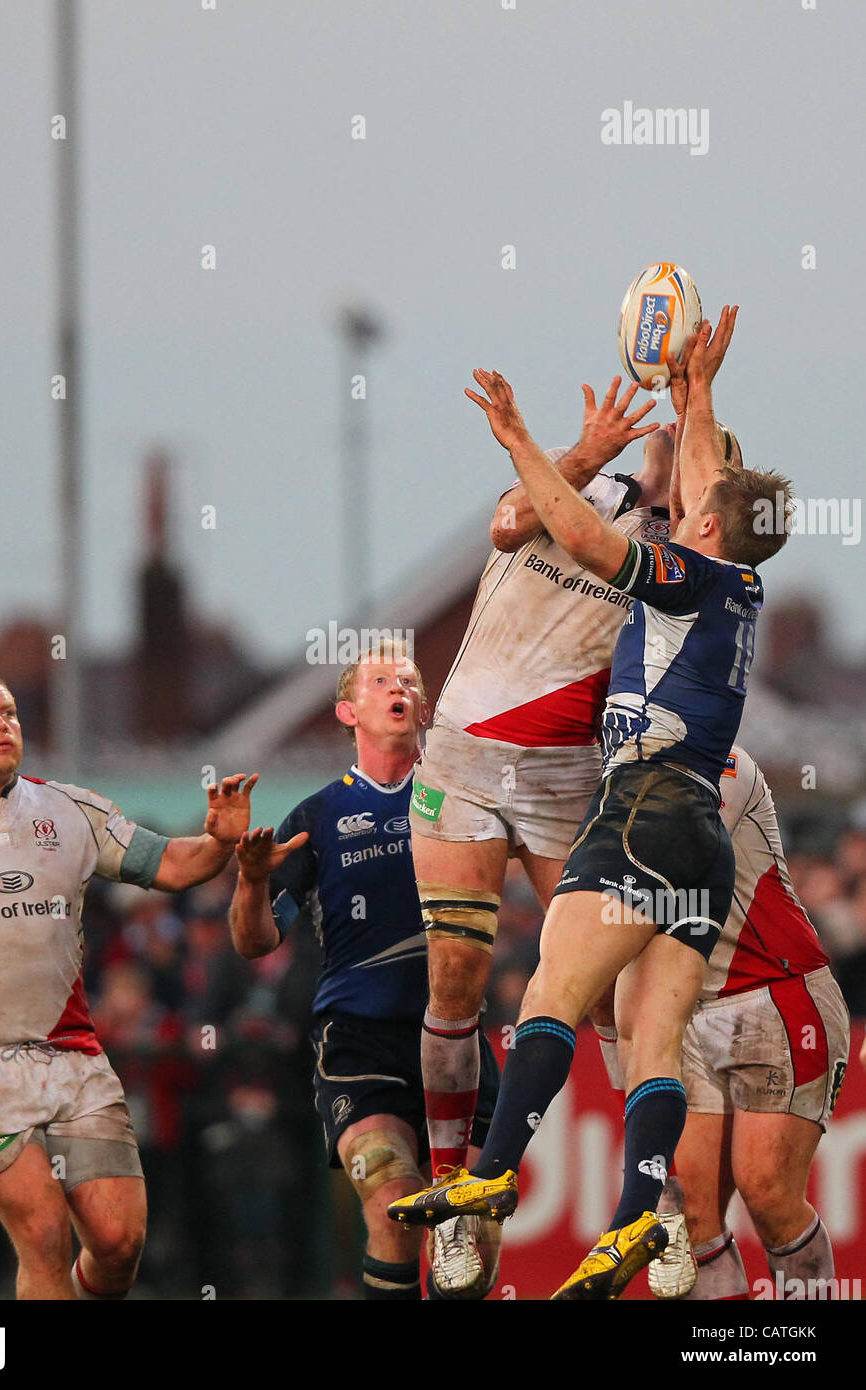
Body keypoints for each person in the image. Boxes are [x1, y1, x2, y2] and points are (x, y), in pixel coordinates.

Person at [390, 311, 796, 1301]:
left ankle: (485, 1178)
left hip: (636, 808)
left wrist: (521, 437)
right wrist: (695, 388)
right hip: (691, 835)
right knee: (650, 1037)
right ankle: (633, 1220)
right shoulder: (732, 581)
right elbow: (631, 497)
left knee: (549, 999)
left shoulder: (680, 575)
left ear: (703, 516)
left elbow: (577, 532)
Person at [0, 669, 257, 1300]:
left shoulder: (70, 809)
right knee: (43, 1232)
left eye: (10, 712)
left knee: (119, 1243)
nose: (2, 724)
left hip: (73, 1055)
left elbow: (175, 866)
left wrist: (218, 842)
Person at [413, 377, 675, 1184]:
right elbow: (505, 525)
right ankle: (453, 1183)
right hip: (465, 756)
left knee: (604, 994)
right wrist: (590, 449)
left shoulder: (681, 558)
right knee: (457, 975)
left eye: (689, 440)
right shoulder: (575, 480)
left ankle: (650, 1204)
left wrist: (698, 396)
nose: (665, 438)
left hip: (569, 777)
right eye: (661, 435)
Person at [227, 646, 502, 1299]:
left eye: (410, 679)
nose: (398, 686)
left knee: (471, 1254)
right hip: (359, 1039)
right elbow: (255, 941)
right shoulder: (315, 819)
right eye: (381, 680)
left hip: (458, 1037)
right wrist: (250, 878)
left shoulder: (462, 798)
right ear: (349, 710)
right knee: (394, 1207)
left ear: (425, 708)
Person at [637, 746, 850, 1301]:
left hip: (777, 995)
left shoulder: (719, 759)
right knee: (694, 1215)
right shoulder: (601, 776)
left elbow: (674, 853)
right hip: (687, 1008)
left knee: (769, 1192)